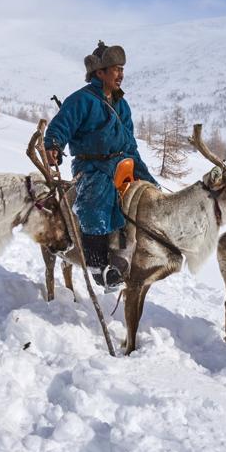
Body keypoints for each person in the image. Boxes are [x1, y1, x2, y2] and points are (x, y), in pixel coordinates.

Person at [44, 41, 158, 292]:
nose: (121, 74)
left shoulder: (122, 105)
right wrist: (53, 145)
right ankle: (99, 268)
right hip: (93, 167)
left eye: (121, 69)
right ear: (100, 73)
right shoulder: (81, 100)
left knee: (153, 195)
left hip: (126, 161)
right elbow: (59, 127)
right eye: (115, 69)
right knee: (93, 204)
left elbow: (129, 141)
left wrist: (144, 173)